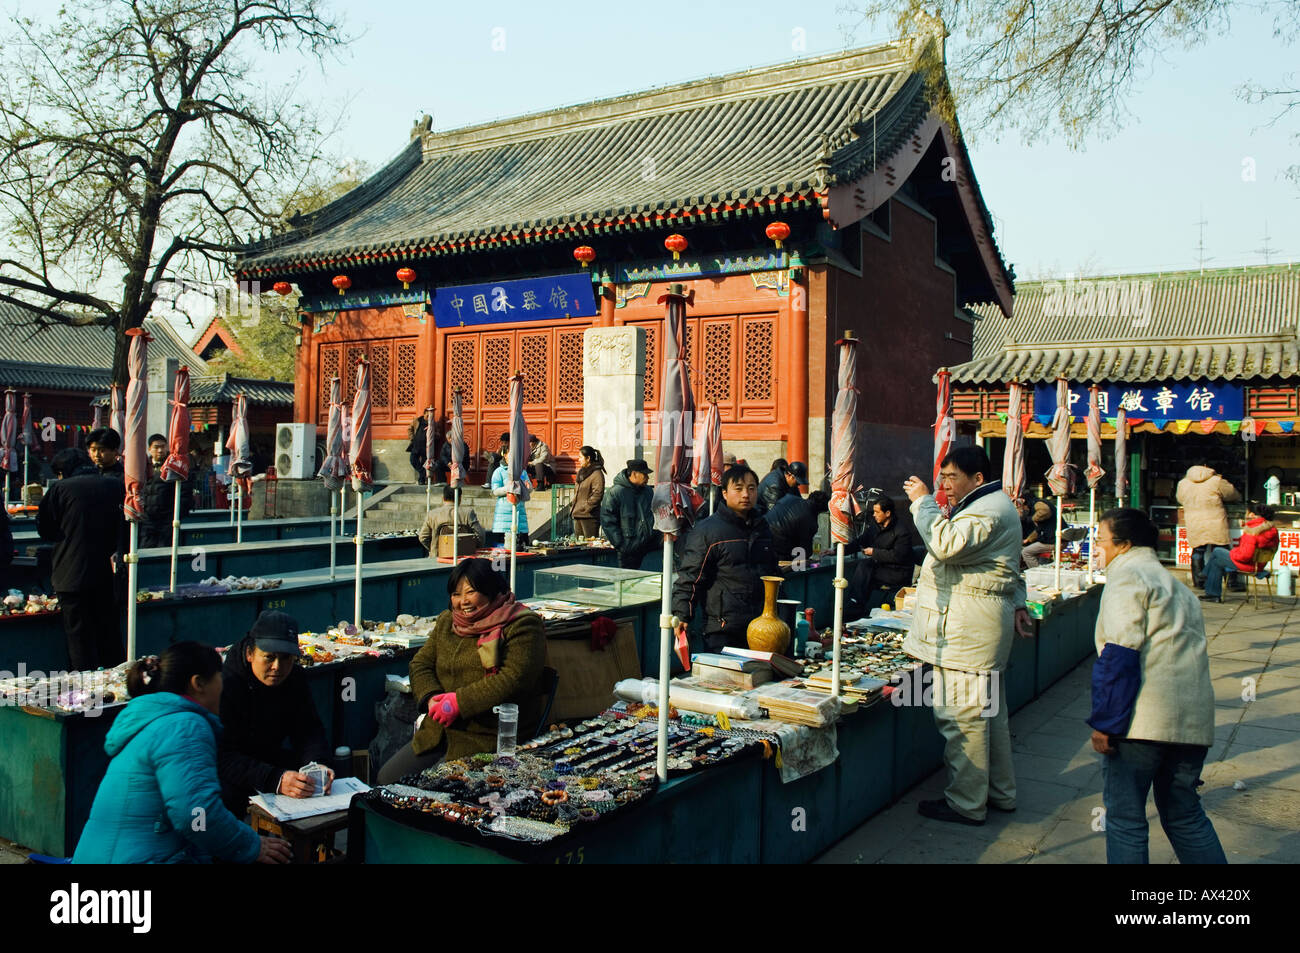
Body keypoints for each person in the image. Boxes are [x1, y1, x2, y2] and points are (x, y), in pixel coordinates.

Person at [902, 446, 1033, 826]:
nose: (945, 485)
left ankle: (966, 802)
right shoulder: (992, 505)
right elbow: (1010, 566)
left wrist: (923, 502)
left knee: (963, 720)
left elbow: (944, 546)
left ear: (977, 478)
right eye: (942, 478)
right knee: (989, 716)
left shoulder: (988, 510)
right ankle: (999, 793)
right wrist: (1020, 604)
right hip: (974, 627)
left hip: (966, 634)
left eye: (951, 477)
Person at [1089, 508, 1226, 864]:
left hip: (1143, 724)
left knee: (1126, 820)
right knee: (1186, 816)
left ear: (1124, 544)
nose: (1096, 547)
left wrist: (1105, 722)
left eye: (1100, 540)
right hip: (1192, 724)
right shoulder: (1176, 587)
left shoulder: (1128, 577)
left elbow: (1119, 653)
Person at [73, 642, 292, 864]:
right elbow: (195, 814)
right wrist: (250, 846)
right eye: (219, 676)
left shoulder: (153, 720)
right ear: (198, 683)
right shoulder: (185, 727)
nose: (223, 686)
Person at [376, 558, 546, 783]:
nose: (462, 602)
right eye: (456, 594)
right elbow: (420, 664)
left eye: (470, 592)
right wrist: (432, 699)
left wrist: (459, 703)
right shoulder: (448, 621)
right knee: (387, 778)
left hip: (487, 737)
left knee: (440, 793)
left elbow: (513, 679)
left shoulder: (522, 625)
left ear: (490, 590)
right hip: (437, 732)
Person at [217, 610, 332, 814]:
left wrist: (317, 764)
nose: (277, 667)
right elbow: (223, 756)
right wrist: (276, 779)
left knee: (315, 778)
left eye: (286, 658)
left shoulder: (294, 677)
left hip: (268, 755)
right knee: (228, 795)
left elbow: (309, 729)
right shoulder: (226, 684)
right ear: (250, 654)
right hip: (228, 766)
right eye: (269, 657)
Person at [673, 464, 778, 652]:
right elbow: (690, 577)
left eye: (751, 488)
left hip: (761, 626)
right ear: (724, 493)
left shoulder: (763, 527)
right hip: (723, 628)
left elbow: (772, 572)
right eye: (738, 489)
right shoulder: (708, 531)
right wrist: (682, 615)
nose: (746, 494)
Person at [36, 448, 125, 671]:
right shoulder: (116, 485)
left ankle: (83, 690)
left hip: (70, 575)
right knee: (109, 634)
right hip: (108, 574)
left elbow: (45, 528)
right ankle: (118, 685)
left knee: (79, 638)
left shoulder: (60, 489)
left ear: (62, 471)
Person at [845, 494, 917, 615]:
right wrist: (838, 551)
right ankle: (857, 604)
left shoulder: (901, 531)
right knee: (864, 569)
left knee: (865, 568)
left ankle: (856, 605)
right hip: (882, 567)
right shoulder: (875, 527)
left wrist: (874, 552)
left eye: (877, 512)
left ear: (887, 513)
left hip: (898, 572)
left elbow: (898, 556)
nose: (874, 515)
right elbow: (860, 541)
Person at [1176, 465, 1241, 588]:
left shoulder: (1183, 483)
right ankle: (1231, 582)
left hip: (1194, 522)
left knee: (1197, 551)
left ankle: (1199, 582)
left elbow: (1180, 499)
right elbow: (1232, 493)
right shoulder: (1216, 481)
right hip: (1215, 521)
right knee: (1223, 551)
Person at [1202, 502, 1280, 603]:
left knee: (1217, 551)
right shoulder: (1272, 529)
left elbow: (1245, 556)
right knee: (1216, 562)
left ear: (1252, 515)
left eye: (1246, 513)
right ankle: (1210, 590)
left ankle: (1205, 579)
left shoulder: (1252, 531)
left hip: (1248, 564)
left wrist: (1233, 553)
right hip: (1259, 565)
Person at [600, 459, 658, 568]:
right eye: (645, 474)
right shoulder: (615, 493)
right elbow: (607, 521)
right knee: (627, 580)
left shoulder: (648, 492)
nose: (647, 478)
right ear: (634, 474)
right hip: (628, 547)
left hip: (647, 544)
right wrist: (620, 544)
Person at [140, 432, 193, 548]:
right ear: (149, 449)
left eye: (163, 447)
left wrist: (176, 515)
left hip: (168, 520)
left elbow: (185, 494)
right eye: (156, 447)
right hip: (147, 520)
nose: (160, 450)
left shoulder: (174, 467)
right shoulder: (142, 467)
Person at [418, 485, 485, 556]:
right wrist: (471, 548)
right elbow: (480, 535)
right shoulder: (468, 513)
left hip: (438, 557)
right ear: (459, 498)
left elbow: (423, 537)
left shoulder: (432, 514)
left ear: (443, 498)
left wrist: (435, 548)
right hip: (464, 556)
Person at [765, 488, 829, 562]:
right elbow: (805, 551)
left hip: (763, 533)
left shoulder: (790, 497)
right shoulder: (810, 520)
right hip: (778, 546)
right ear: (820, 511)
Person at [489, 456, 529, 549]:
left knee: (521, 551)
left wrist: (527, 487)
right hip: (503, 516)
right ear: (505, 456)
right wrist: (508, 488)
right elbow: (495, 491)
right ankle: (501, 563)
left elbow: (528, 486)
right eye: (509, 455)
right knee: (501, 556)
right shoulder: (499, 471)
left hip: (520, 514)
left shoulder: (522, 471)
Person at [571, 446, 606, 538]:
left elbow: (598, 493)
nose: (578, 460)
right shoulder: (582, 472)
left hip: (589, 516)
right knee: (579, 545)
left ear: (588, 458)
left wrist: (586, 507)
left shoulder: (596, 474)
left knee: (590, 546)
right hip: (578, 513)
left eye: (580, 457)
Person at [1021, 500, 1057, 567]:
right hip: (1053, 539)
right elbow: (1039, 529)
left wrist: (1033, 519)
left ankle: (1036, 571)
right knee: (1033, 550)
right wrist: (1028, 539)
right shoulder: (1047, 508)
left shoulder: (1038, 504)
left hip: (1052, 540)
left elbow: (1045, 511)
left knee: (1026, 552)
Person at [406, 415, 429, 485]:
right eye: (428, 415)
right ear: (425, 414)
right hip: (416, 444)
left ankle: (421, 480)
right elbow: (410, 429)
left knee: (424, 463)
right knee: (412, 460)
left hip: (426, 446)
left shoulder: (432, 423)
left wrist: (431, 429)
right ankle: (422, 472)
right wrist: (412, 438)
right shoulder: (417, 420)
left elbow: (438, 434)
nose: (429, 417)